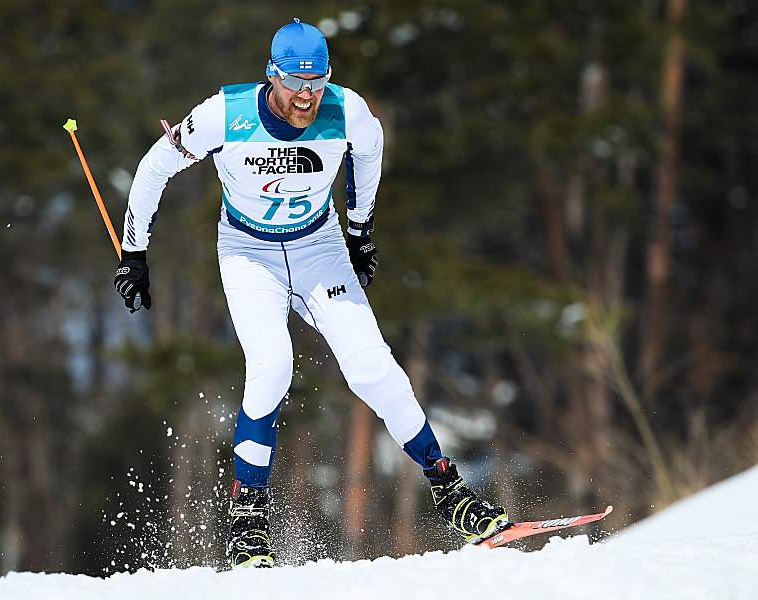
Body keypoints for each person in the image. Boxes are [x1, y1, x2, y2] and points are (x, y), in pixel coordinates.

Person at [114, 19, 508, 568]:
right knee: (272, 365)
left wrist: (360, 227)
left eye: (317, 82)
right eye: (296, 82)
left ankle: (451, 493)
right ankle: (247, 524)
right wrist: (135, 253)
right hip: (249, 255)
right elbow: (153, 169)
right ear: (271, 75)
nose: (306, 95)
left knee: (374, 367)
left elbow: (370, 153)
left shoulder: (347, 111)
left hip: (318, 249)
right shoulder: (223, 115)